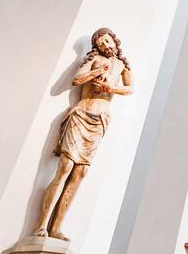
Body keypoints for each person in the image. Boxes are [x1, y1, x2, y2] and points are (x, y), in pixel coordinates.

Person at [33, 27, 133, 241]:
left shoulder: (122, 65)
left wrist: (110, 89)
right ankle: (41, 225)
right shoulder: (93, 59)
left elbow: (130, 88)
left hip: (100, 120)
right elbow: (77, 80)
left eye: (108, 41)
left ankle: (56, 228)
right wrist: (96, 72)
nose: (106, 45)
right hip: (82, 114)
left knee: (80, 174)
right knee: (65, 168)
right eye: (101, 43)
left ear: (115, 41)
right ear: (96, 47)